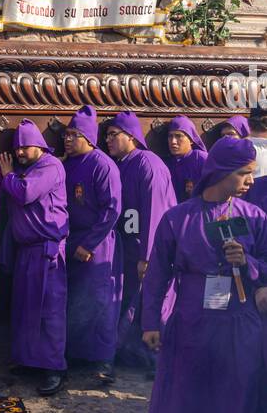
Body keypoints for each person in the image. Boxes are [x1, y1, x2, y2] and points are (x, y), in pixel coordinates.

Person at [142, 137, 267, 413]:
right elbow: (157, 275)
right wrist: (150, 322)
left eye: (251, 173)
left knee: (233, 409)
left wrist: (248, 261)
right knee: (189, 405)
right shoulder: (177, 218)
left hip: (239, 326)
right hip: (192, 324)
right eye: (242, 173)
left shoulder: (256, 217)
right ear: (218, 173)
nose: (250, 180)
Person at [0, 119, 69, 395]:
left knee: (49, 311)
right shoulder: (26, 169)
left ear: (38, 145)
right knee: (26, 309)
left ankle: (54, 368)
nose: (18, 153)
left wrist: (7, 175)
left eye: (24, 147)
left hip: (47, 249)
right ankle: (29, 361)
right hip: (27, 250)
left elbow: (26, 193)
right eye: (16, 148)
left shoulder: (50, 166)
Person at [105, 111, 176, 373]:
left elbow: (155, 211)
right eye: (107, 135)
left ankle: (158, 361)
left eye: (114, 135)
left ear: (132, 136)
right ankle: (131, 356)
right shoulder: (122, 163)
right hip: (128, 248)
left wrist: (148, 256)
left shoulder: (148, 164)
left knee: (148, 303)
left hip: (148, 250)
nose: (108, 140)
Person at [62, 105, 122, 384]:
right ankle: (78, 354)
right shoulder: (66, 165)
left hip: (97, 244)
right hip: (71, 240)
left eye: (74, 134)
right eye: (66, 134)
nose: (68, 139)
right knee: (75, 300)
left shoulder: (102, 164)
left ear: (88, 137)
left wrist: (89, 244)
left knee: (99, 301)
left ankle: (103, 360)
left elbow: (111, 209)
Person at [164, 116, 207, 202]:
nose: (173, 141)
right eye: (170, 136)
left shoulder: (201, 158)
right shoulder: (166, 164)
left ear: (191, 140)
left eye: (178, 136)